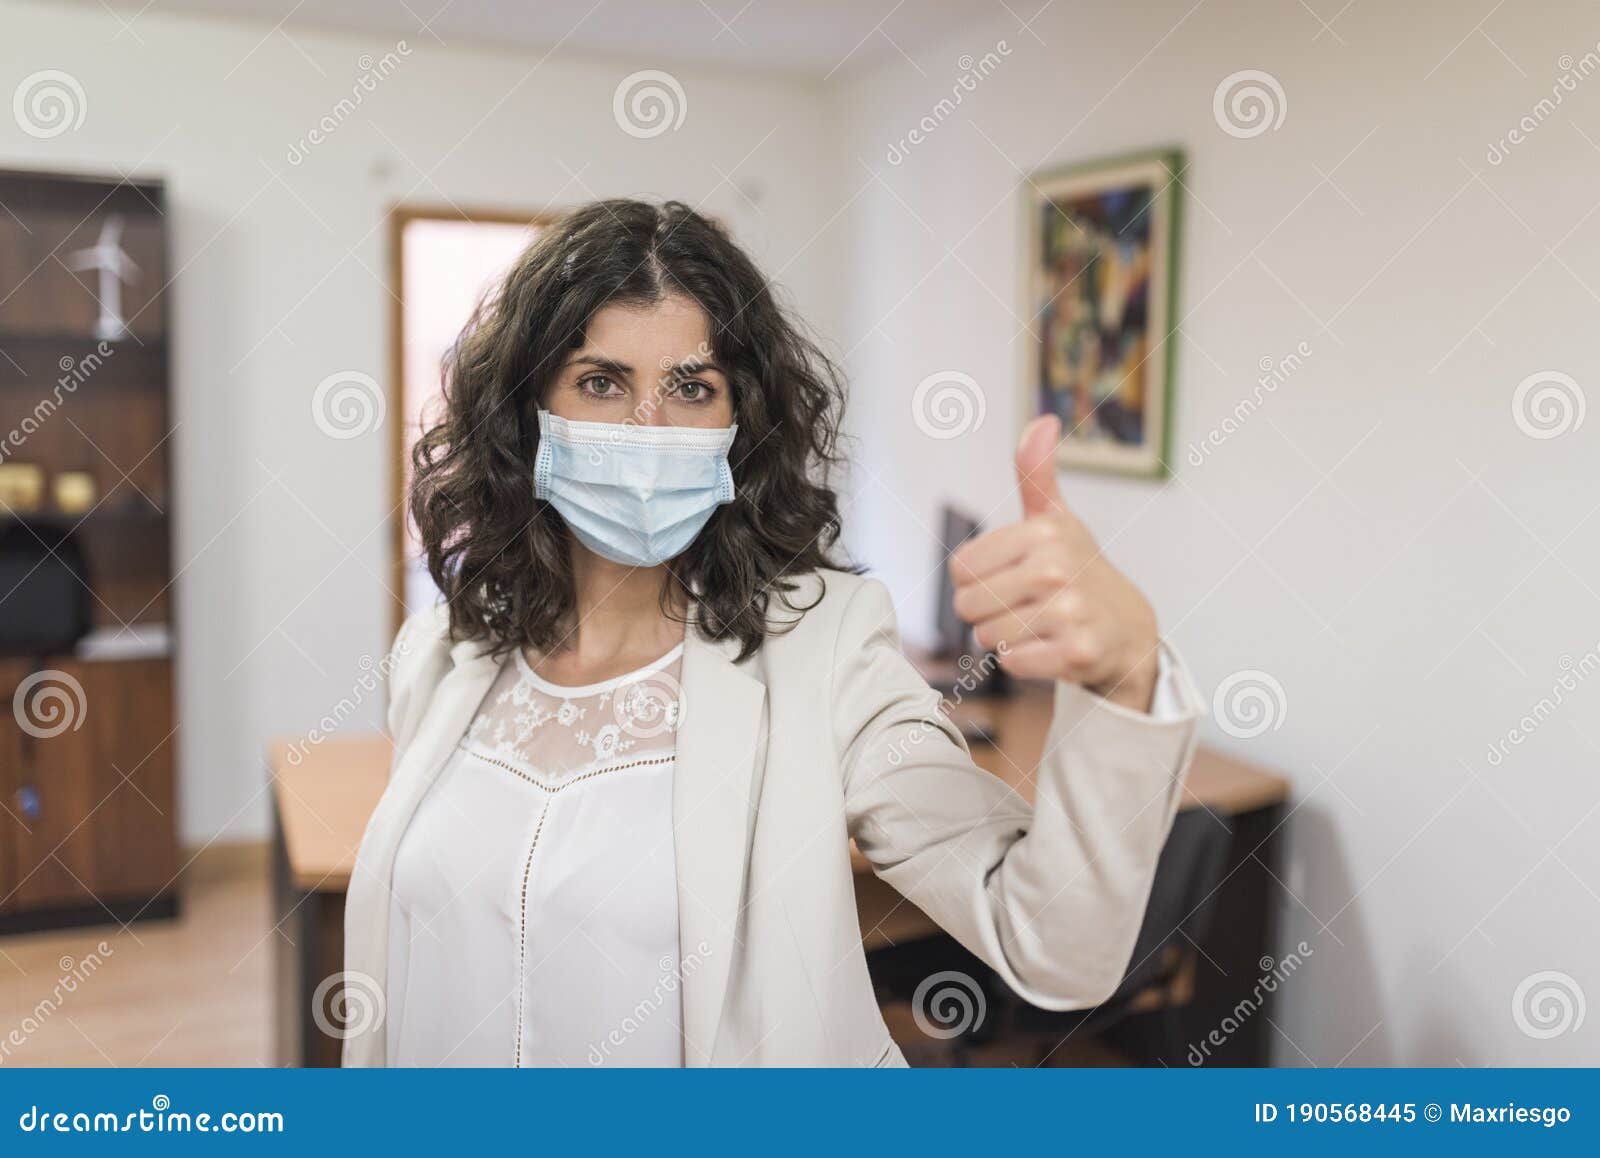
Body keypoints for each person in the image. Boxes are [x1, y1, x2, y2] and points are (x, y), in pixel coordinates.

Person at [342, 199, 1201, 1067]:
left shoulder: (828, 651)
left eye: (692, 388)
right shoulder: (444, 653)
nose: (648, 429)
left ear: (738, 424)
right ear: (529, 413)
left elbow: (1052, 944)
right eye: (601, 382)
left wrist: (1125, 676)